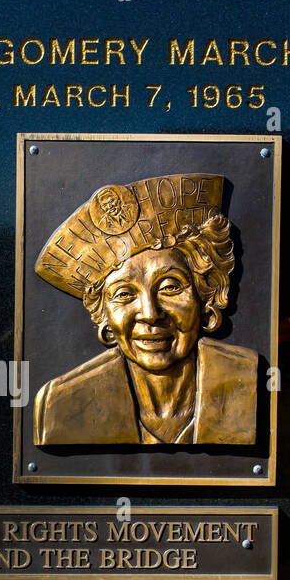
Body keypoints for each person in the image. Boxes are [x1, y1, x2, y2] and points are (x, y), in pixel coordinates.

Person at [33, 173, 257, 446]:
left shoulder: (250, 383)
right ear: (104, 318)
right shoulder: (64, 405)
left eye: (170, 287)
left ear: (206, 300)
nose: (150, 313)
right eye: (124, 294)